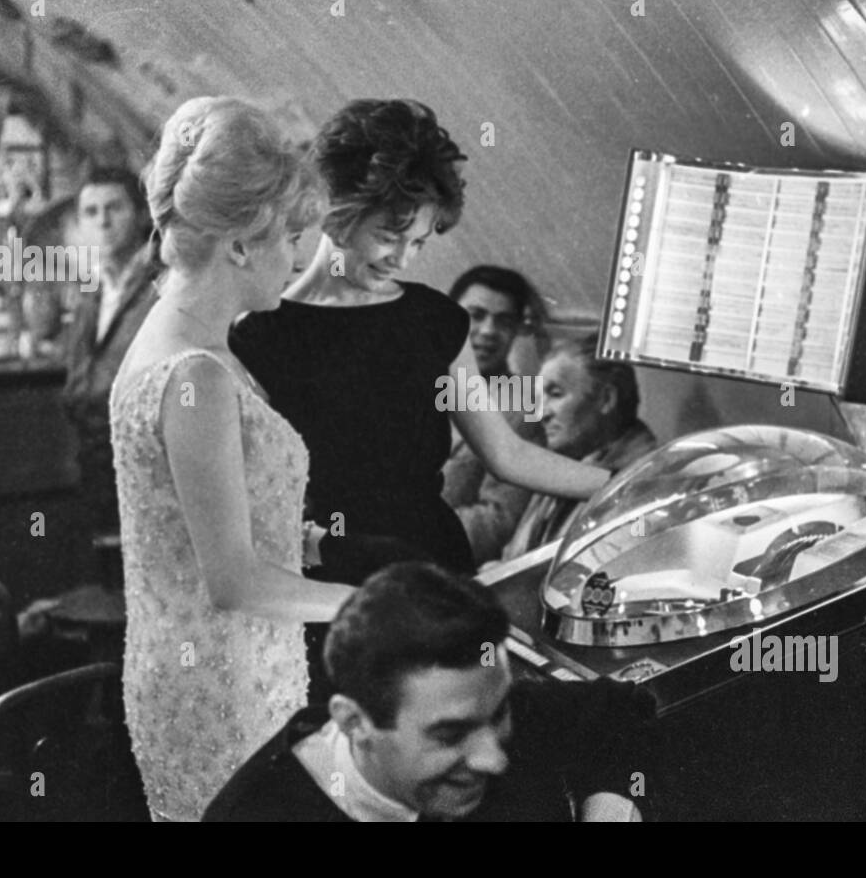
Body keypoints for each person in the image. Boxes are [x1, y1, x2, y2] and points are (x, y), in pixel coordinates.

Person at [230, 99, 610, 585]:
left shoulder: (434, 320)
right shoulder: (261, 334)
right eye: (391, 236)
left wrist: (625, 485)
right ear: (336, 210)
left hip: (433, 565)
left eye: (420, 242)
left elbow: (506, 455)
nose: (403, 258)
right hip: (328, 575)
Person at [110, 97, 354, 822]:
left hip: (212, 666)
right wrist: (374, 606)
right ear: (242, 245)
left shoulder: (177, 338)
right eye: (290, 237)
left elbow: (187, 524)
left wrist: (298, 537)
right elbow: (235, 581)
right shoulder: (196, 375)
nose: (300, 258)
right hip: (222, 683)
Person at [204, 562, 655, 822]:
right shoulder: (260, 814)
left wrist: (610, 806)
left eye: (498, 714)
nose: (493, 758)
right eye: (449, 735)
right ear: (354, 722)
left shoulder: (480, 705)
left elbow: (618, 713)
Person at [62, 166, 161, 542]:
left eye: (113, 208)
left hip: (145, 464)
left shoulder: (162, 282)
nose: (102, 222)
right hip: (95, 462)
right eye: (91, 212)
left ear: (139, 214)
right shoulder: (93, 289)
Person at [501, 332, 658, 562]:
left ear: (606, 399)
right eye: (539, 397)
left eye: (555, 394)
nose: (540, 413)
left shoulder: (644, 483)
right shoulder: (564, 464)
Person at [441, 265, 548, 565]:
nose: (488, 331)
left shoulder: (520, 414)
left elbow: (497, 522)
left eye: (503, 322)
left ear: (515, 331)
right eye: (475, 315)